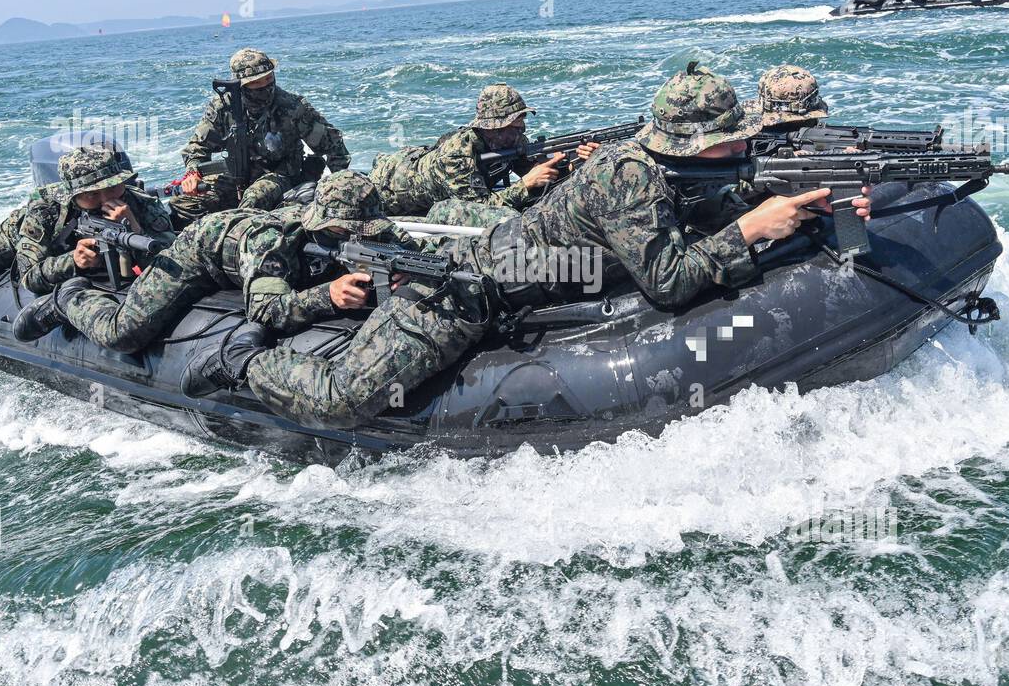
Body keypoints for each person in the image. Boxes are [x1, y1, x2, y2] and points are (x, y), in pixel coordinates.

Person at [182, 63, 872, 429]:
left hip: (518, 279)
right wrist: (751, 232)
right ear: (695, 142)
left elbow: (711, 202)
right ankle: (242, 361)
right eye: (734, 138)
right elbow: (670, 281)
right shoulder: (630, 174)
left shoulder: (668, 169)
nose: (746, 145)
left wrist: (803, 208)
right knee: (340, 399)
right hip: (456, 295)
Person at [12, 172, 409, 352]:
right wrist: (329, 296)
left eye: (366, 230)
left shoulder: (362, 229)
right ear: (322, 224)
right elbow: (265, 310)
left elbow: (405, 246)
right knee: (124, 335)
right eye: (347, 231)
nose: (360, 237)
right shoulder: (271, 243)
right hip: (201, 253)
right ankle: (69, 299)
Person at [170, 48, 350, 225]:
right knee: (184, 204)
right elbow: (197, 147)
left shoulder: (292, 107)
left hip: (281, 176)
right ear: (240, 84)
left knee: (253, 199)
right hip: (236, 176)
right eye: (256, 83)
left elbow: (334, 146)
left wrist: (335, 189)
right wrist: (192, 172)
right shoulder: (223, 108)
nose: (265, 85)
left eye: (269, 78)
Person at [368, 83, 566, 218]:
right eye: (515, 127)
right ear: (493, 127)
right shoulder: (456, 157)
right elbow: (479, 208)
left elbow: (535, 170)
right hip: (387, 191)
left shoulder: (509, 139)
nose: (521, 133)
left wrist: (571, 163)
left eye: (522, 126)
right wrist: (526, 184)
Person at [11, 146, 174, 296]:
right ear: (73, 197)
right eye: (92, 194)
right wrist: (71, 261)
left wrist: (136, 229)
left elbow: (174, 262)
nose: (106, 199)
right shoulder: (47, 211)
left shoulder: (141, 202)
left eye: (112, 187)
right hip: (12, 232)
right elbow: (28, 277)